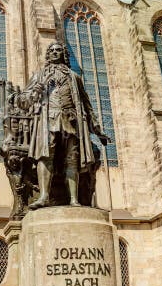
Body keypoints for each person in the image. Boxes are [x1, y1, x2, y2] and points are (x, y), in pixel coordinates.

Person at [21, 41, 108, 209]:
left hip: (71, 121)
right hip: (48, 121)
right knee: (45, 156)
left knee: (72, 159)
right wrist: (34, 93)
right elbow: (22, 102)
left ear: (63, 54)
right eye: (52, 50)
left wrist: (97, 129)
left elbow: (87, 105)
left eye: (58, 50)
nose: (55, 52)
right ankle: (44, 196)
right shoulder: (39, 76)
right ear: (48, 54)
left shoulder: (74, 77)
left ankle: (74, 199)